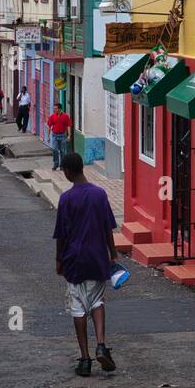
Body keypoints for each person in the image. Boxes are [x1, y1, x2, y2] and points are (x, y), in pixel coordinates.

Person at [53, 151, 119, 376]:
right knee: (97, 301)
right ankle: (101, 343)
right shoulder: (100, 195)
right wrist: (113, 254)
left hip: (74, 260)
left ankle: (85, 358)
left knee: (78, 307)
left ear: (69, 171)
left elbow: (61, 235)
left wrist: (59, 260)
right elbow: (108, 227)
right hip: (97, 257)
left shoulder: (66, 199)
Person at [46, 102, 72, 171]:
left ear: (60, 109)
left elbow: (68, 126)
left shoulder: (65, 116)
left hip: (62, 135)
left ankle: (62, 165)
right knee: (54, 149)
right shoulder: (52, 116)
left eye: (56, 108)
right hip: (54, 135)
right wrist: (48, 136)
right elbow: (49, 126)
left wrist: (69, 135)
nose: (54, 110)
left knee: (62, 151)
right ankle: (56, 164)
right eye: (54, 108)